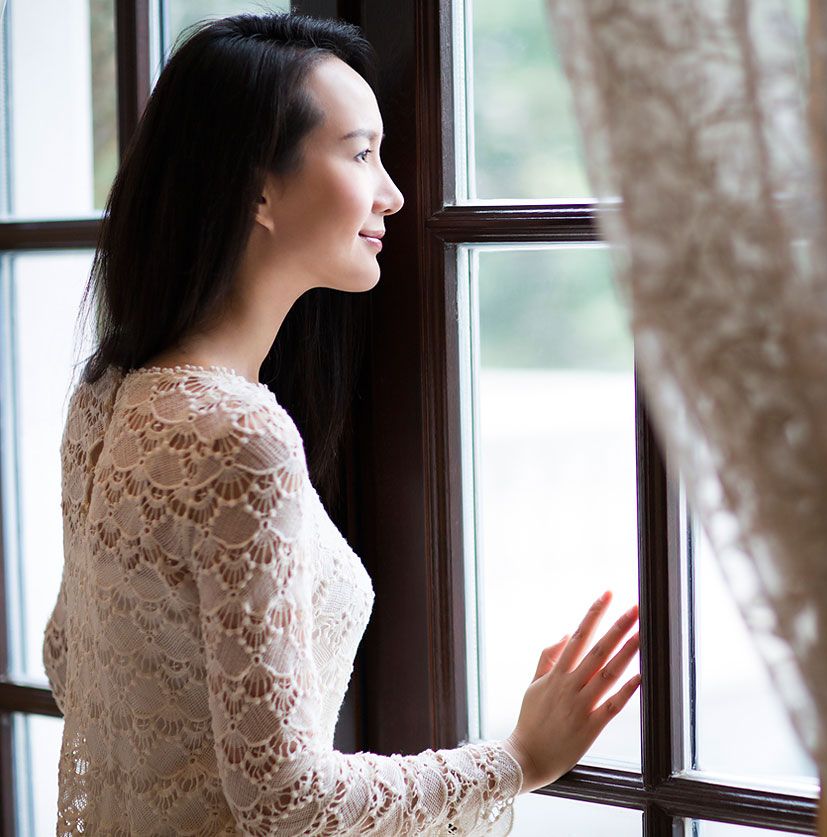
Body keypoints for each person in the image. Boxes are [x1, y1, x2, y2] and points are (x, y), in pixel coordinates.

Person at [41, 12, 641, 836]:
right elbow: (285, 797)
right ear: (258, 188)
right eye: (361, 153)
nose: (391, 191)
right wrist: (519, 759)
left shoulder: (105, 395)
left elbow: (73, 662)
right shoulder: (238, 436)